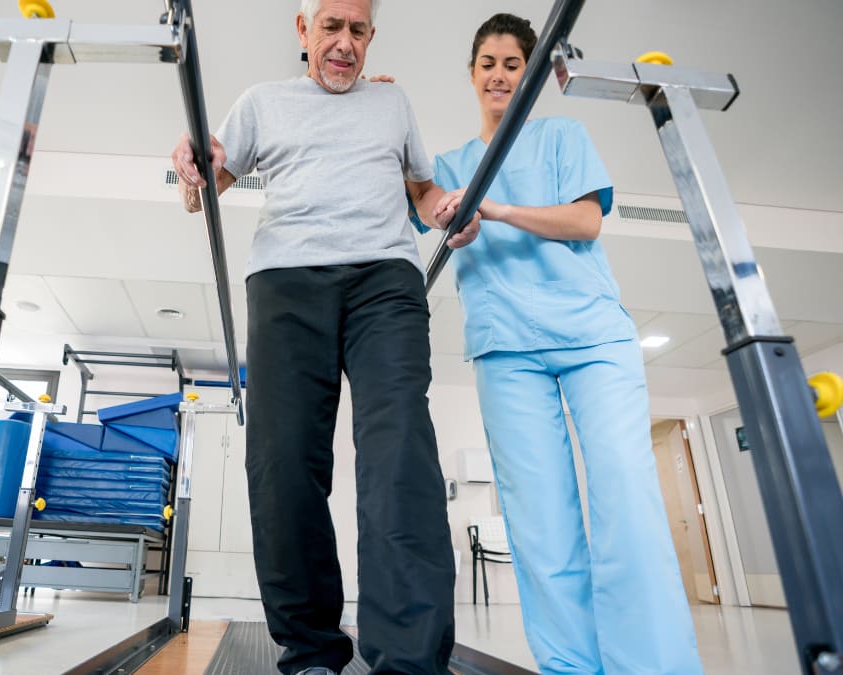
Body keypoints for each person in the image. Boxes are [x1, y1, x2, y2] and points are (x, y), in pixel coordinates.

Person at [170, 1, 479, 673]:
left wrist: (446, 209)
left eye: (357, 31)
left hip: (385, 283)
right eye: (331, 27)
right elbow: (208, 184)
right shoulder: (261, 102)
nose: (344, 44)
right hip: (285, 280)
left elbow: (422, 191)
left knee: (400, 451)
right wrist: (196, 169)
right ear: (303, 30)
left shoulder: (392, 106)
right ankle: (310, 647)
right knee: (281, 462)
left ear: (371, 36)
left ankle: (409, 652)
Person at [427, 12, 704, 675]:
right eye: (487, 62)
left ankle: (654, 666)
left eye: (512, 64)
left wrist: (493, 209)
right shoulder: (450, 165)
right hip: (505, 347)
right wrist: (448, 210)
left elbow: (585, 219)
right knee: (538, 519)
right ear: (471, 74)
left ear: (531, 77)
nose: (498, 74)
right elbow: (424, 199)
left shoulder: (561, 135)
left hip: (589, 334)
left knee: (625, 497)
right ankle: (572, 667)